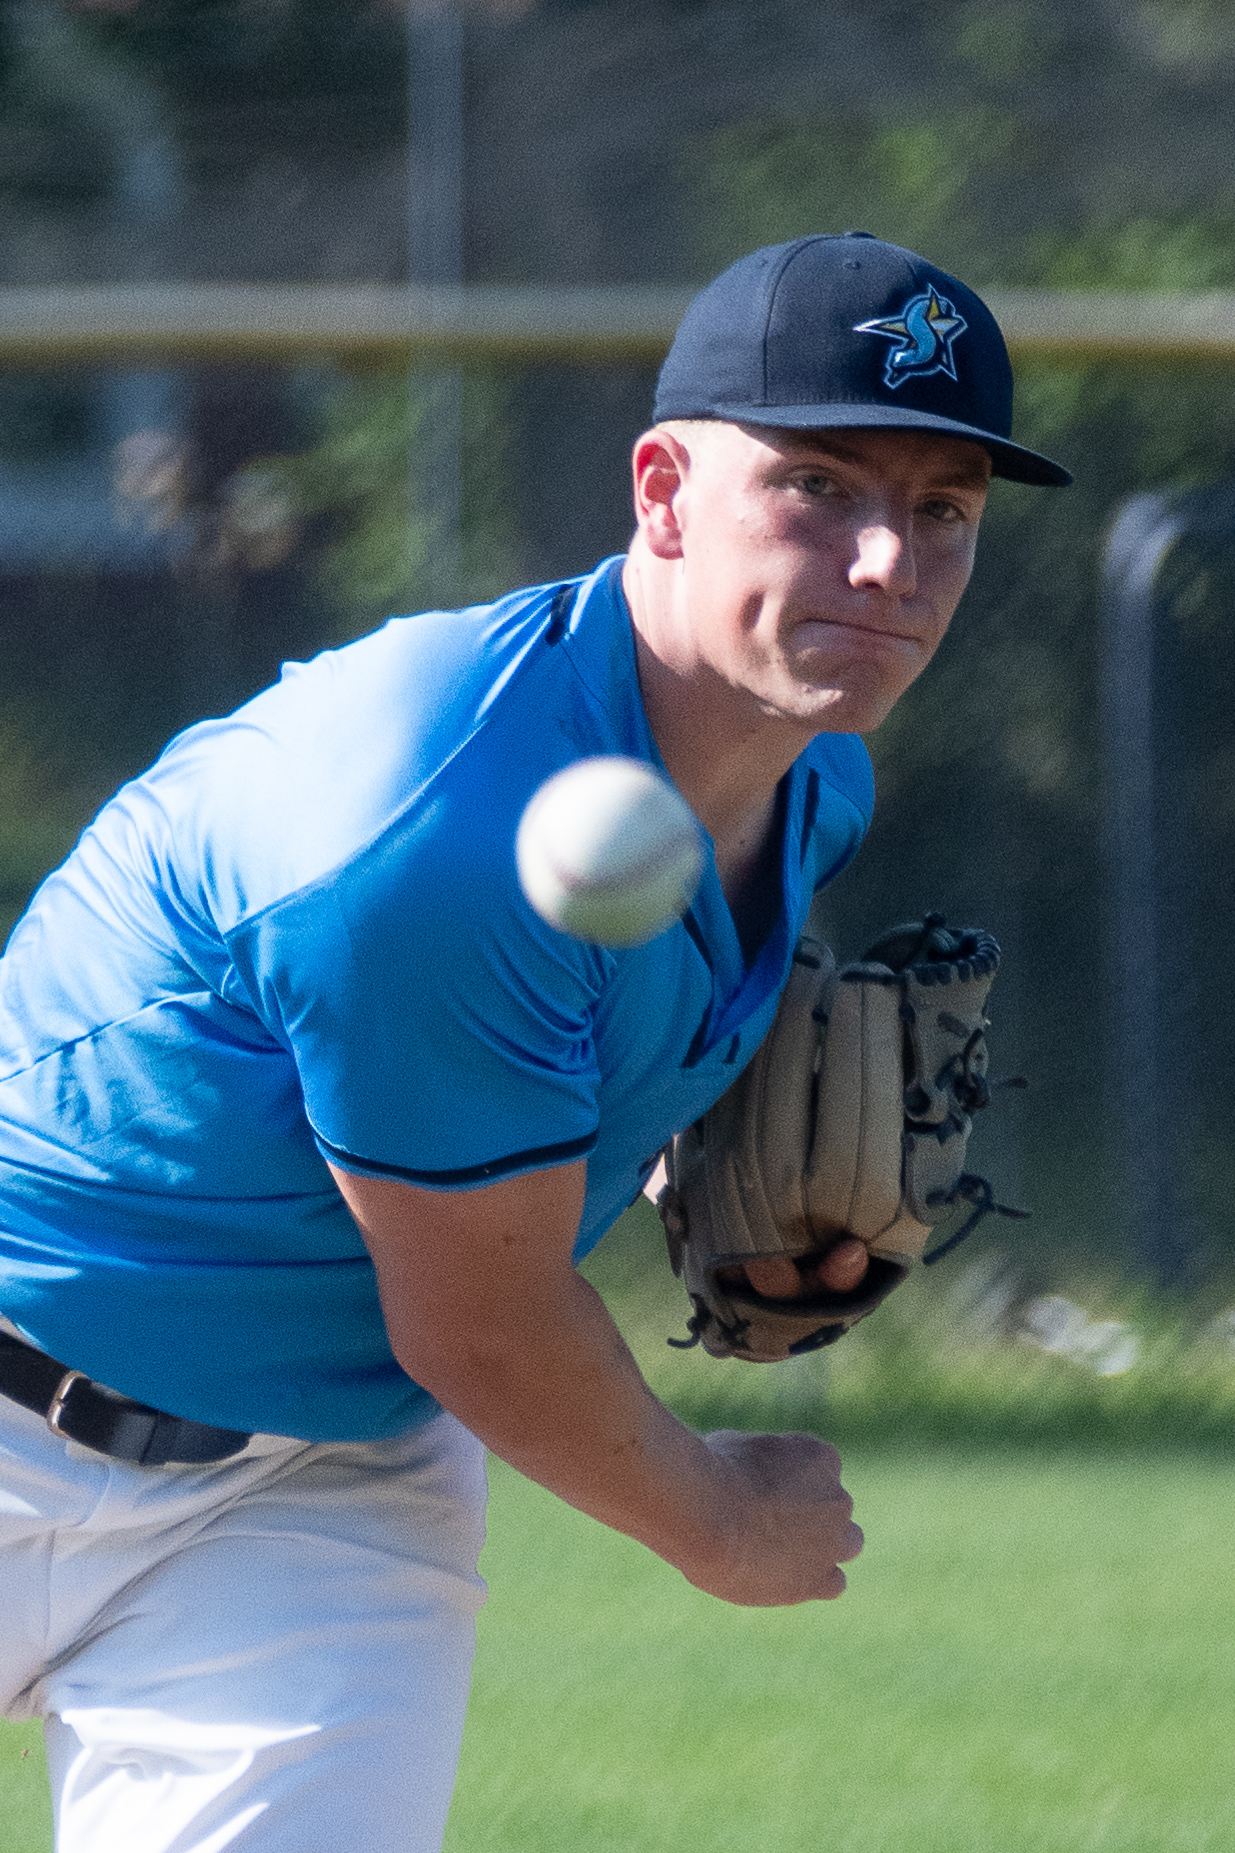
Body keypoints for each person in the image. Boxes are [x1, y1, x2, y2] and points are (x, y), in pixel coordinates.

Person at [0, 232, 1069, 1852]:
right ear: (660, 491)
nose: (885, 564)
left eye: (941, 511)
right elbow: (484, 1327)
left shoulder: (818, 780)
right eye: (819, 487)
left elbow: (592, 1069)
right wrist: (717, 1516)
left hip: (309, 1493)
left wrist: (698, 1155)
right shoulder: (434, 826)